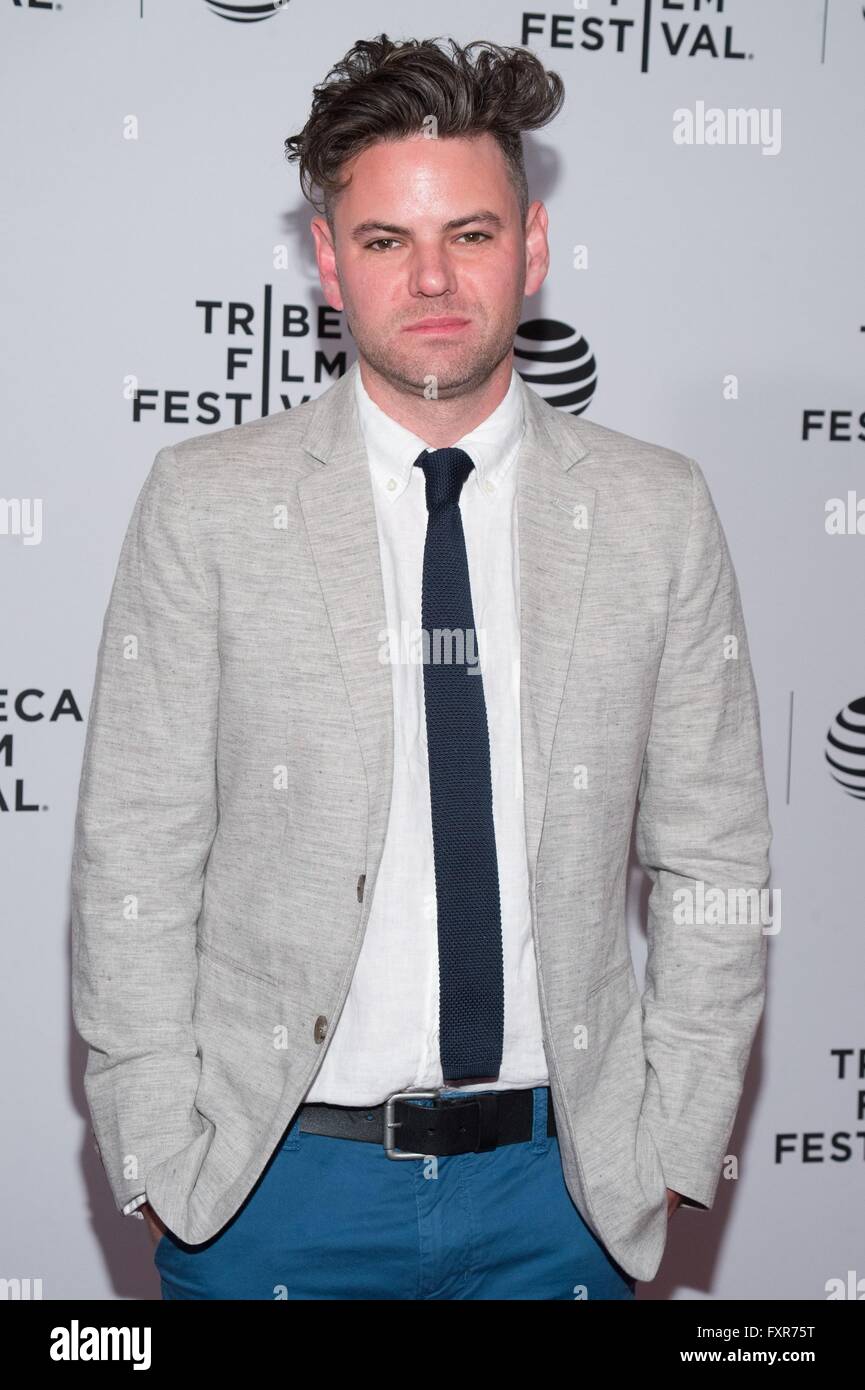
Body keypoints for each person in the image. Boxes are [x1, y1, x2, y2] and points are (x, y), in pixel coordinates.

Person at [71, 33, 772, 1300]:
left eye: (472, 233)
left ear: (534, 245)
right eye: (388, 241)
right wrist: (156, 1143)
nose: (434, 278)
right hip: (271, 1191)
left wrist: (673, 1139)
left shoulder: (653, 510)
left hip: (560, 1194)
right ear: (330, 262)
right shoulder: (209, 504)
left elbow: (716, 856)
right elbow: (136, 844)